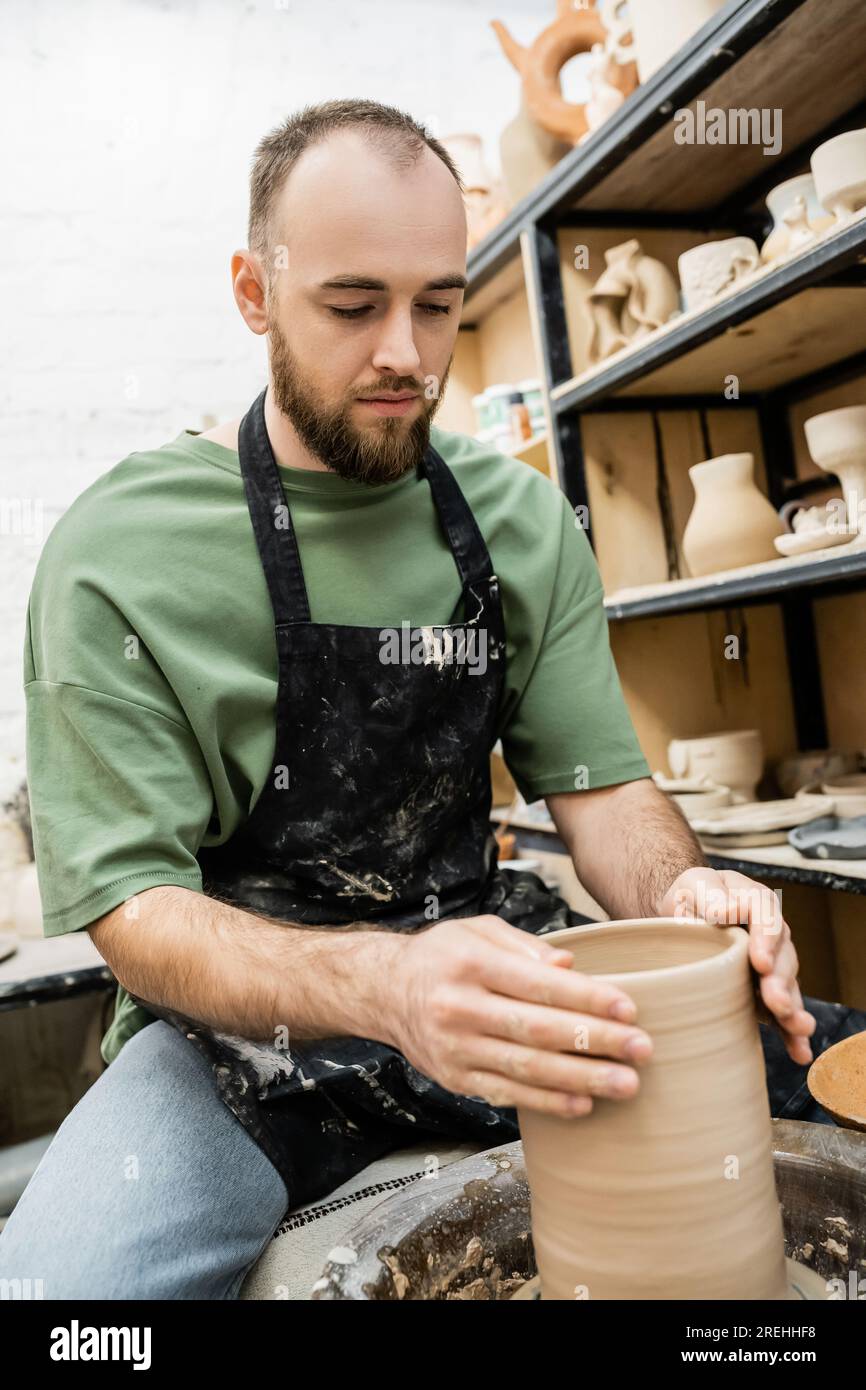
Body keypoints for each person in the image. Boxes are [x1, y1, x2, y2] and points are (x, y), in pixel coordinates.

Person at [2, 98, 851, 1302]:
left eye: (439, 303)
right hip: (229, 1038)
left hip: (490, 962)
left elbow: (601, 789)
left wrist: (683, 893)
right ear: (254, 292)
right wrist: (386, 984)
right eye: (352, 306)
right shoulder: (122, 549)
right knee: (62, 1303)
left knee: (843, 1070)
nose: (405, 351)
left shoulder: (515, 523)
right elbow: (133, 910)